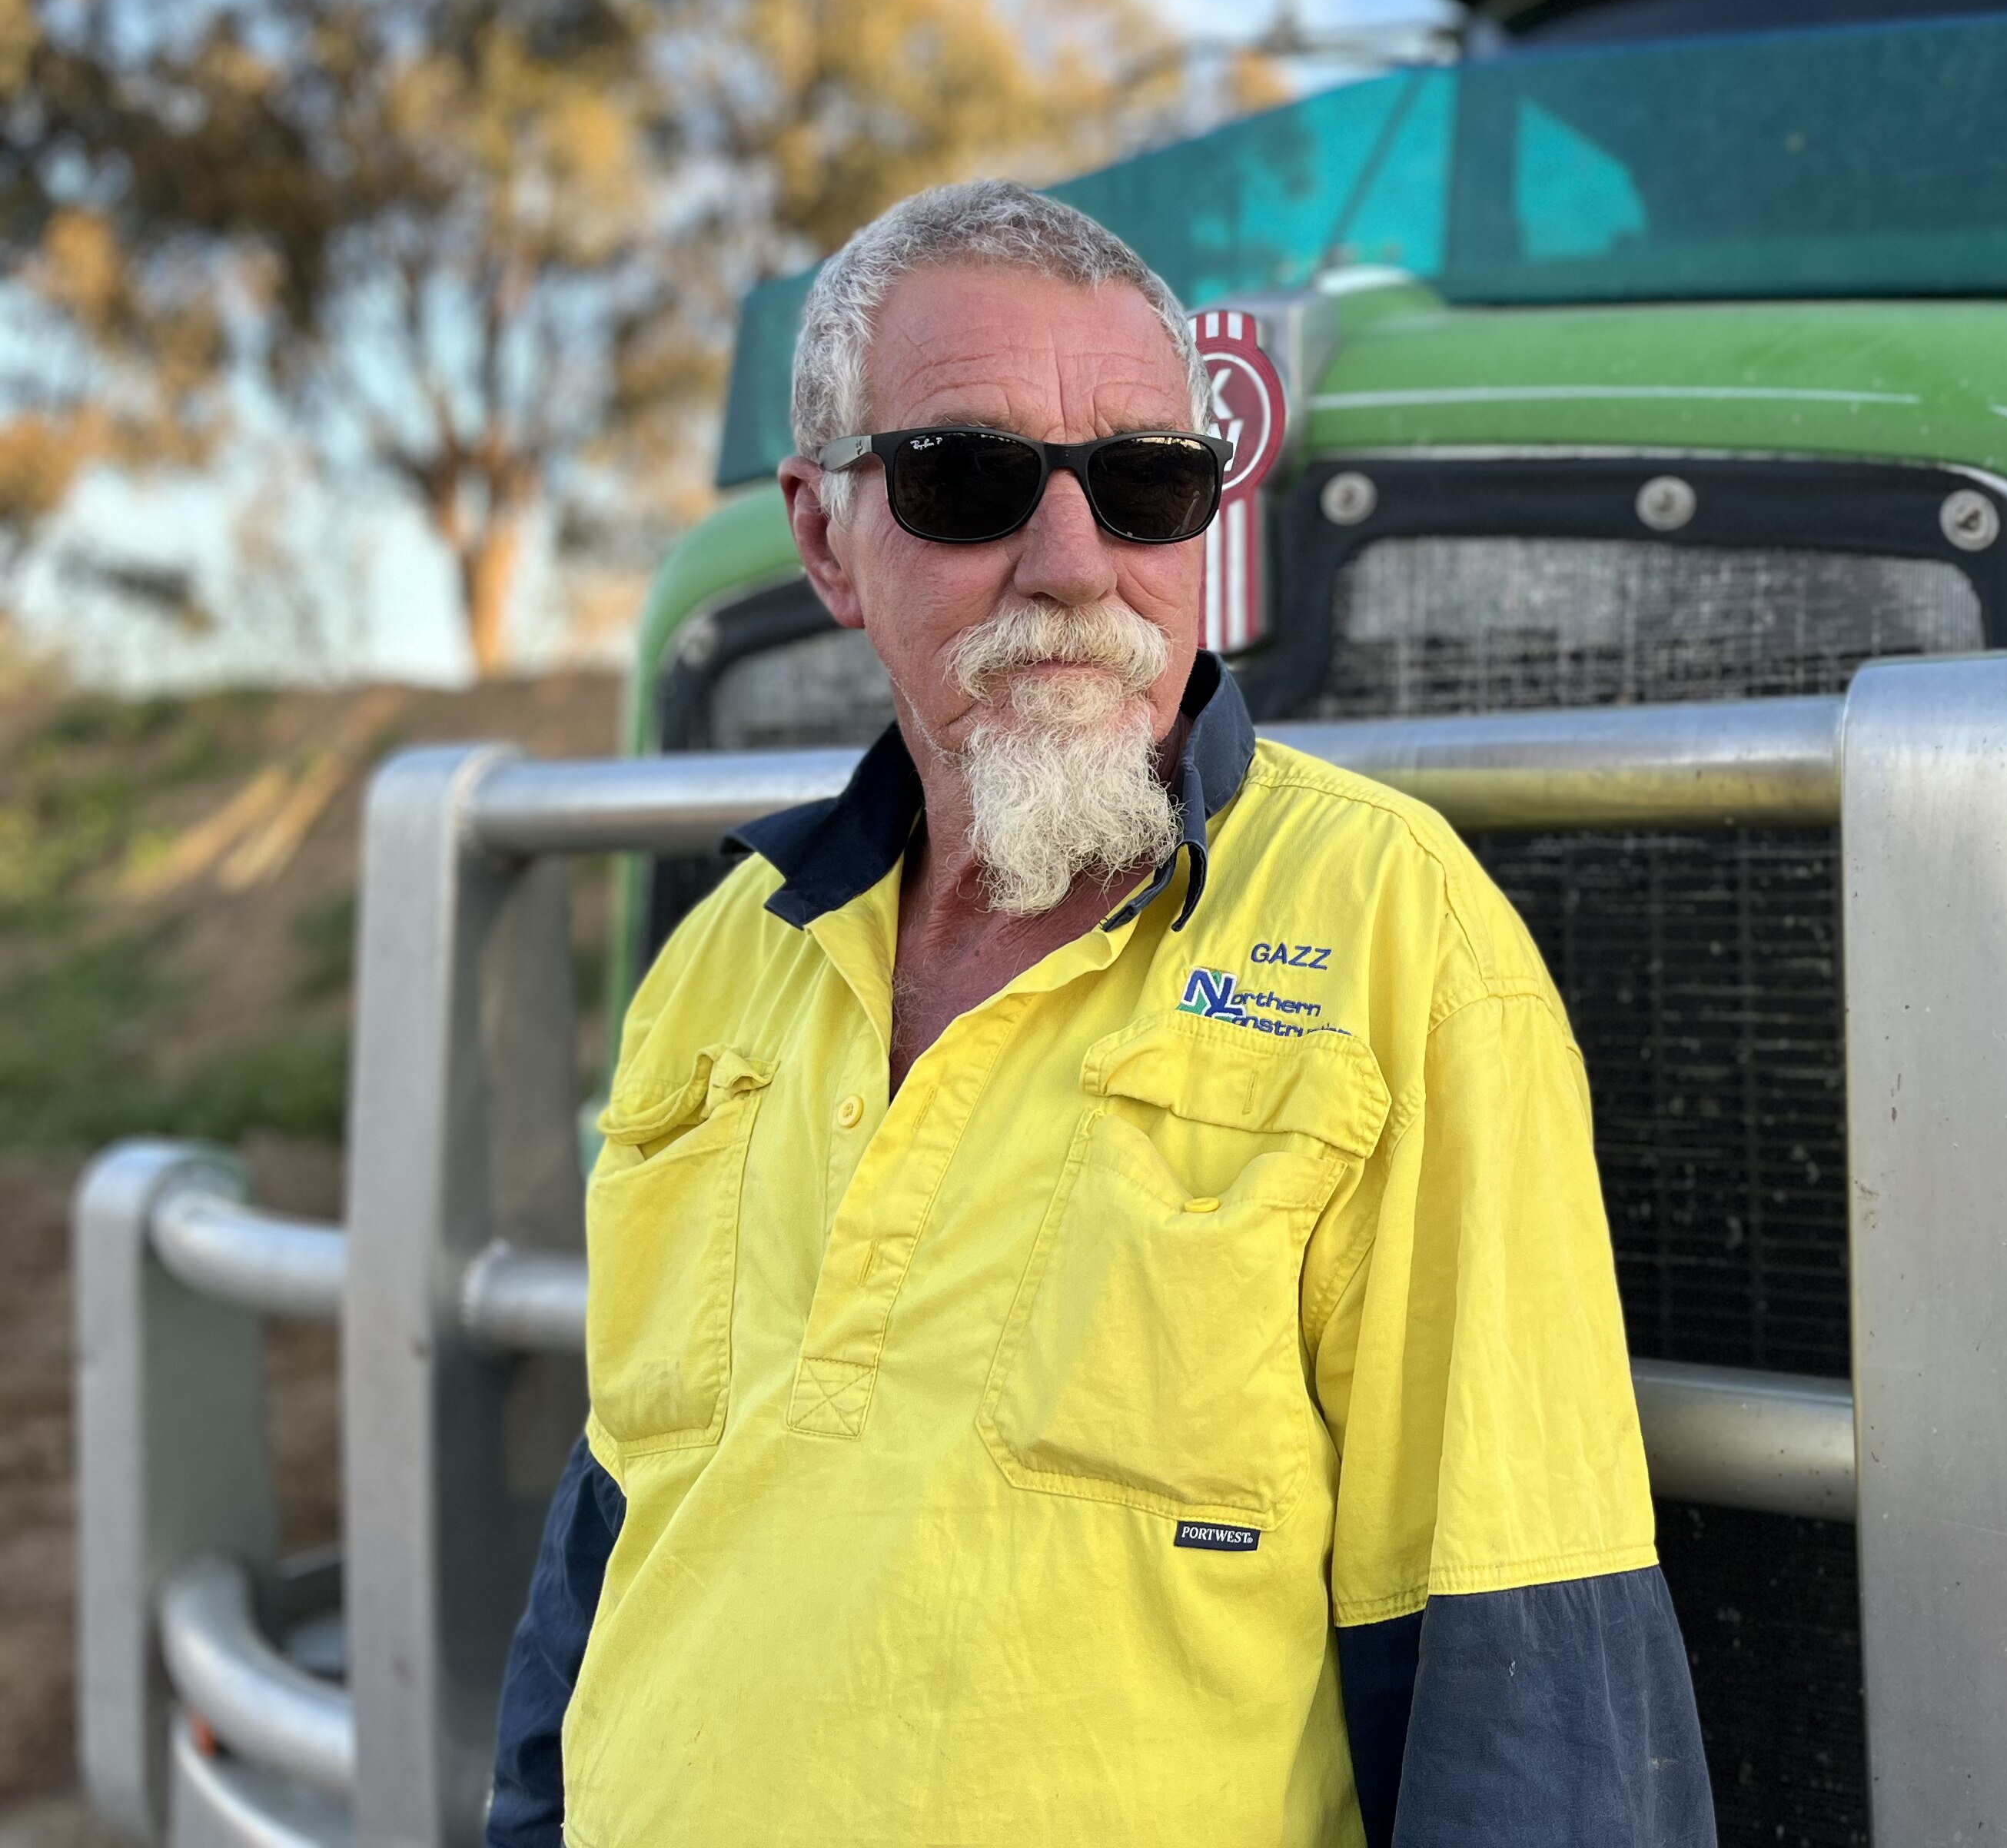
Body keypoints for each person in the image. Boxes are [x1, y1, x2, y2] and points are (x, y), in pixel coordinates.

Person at [486, 181, 1714, 1847]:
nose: (1076, 564)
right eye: (967, 479)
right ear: (821, 536)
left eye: (1147, 485)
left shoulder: (1395, 935)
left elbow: (1529, 1685)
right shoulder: (720, 960)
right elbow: (615, 1542)